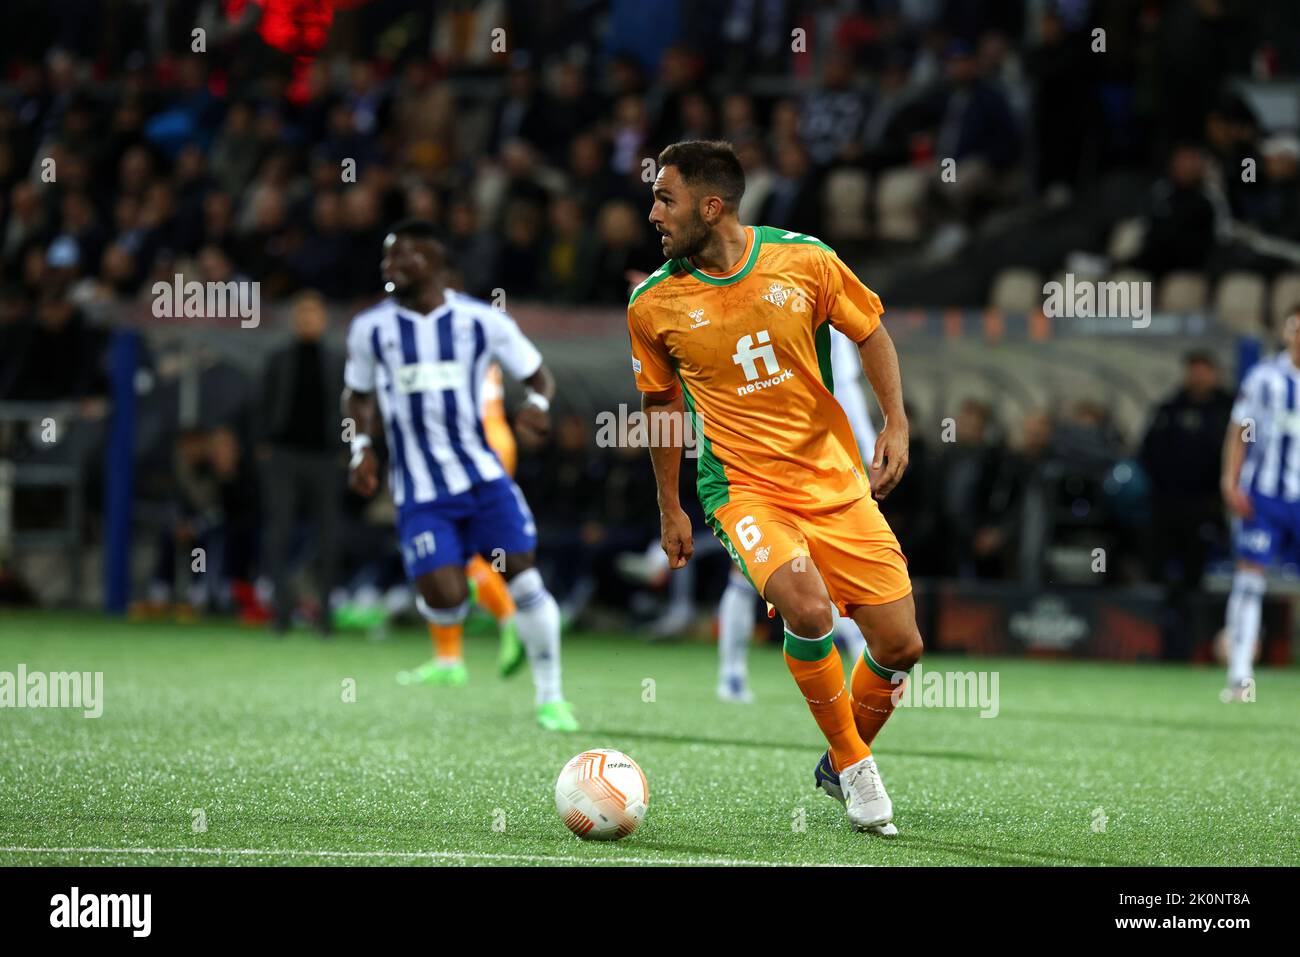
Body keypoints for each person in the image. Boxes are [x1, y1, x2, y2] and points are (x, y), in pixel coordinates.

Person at [627, 140, 923, 835]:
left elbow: (870, 328)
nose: (652, 213)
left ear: (712, 205)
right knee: (808, 607)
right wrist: (670, 505)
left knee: (901, 644)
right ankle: (854, 764)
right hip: (741, 486)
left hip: (833, 476)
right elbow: (660, 404)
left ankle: (836, 761)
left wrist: (897, 422)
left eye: (665, 199)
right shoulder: (654, 302)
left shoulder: (805, 258)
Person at [342, 219, 577, 731]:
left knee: (526, 577)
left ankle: (551, 697)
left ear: (436, 262)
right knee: (444, 598)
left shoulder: (480, 322)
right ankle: (453, 647)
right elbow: (356, 395)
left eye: (404, 255)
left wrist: (537, 405)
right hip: (420, 492)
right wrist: (359, 446)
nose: (391, 266)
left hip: (484, 479)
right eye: (387, 256)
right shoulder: (371, 328)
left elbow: (538, 376)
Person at [1218, 307, 1300, 701]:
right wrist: (1230, 480)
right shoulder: (1265, 378)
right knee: (1250, 580)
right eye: (1295, 326)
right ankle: (1240, 677)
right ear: (1286, 331)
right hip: (1265, 496)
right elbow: (1240, 430)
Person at [257, 290, 345, 633]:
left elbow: (350, 406)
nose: (308, 319)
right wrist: (263, 444)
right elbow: (261, 403)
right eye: (302, 313)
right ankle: (281, 613)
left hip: (325, 457)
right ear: (295, 319)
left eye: (314, 313)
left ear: (323, 319)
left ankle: (325, 615)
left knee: (329, 536)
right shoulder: (279, 358)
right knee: (278, 533)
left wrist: (346, 447)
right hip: (284, 456)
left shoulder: (337, 360)